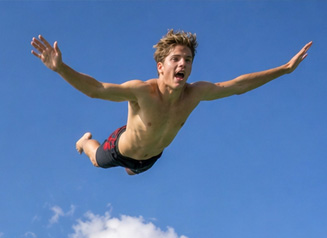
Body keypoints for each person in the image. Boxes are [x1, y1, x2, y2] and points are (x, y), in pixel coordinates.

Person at [30, 31, 311, 175]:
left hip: (151, 158)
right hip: (120, 149)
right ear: (160, 67)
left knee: (134, 172)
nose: (183, 64)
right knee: (95, 160)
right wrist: (61, 68)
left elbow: (237, 85)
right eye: (176, 59)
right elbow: (97, 89)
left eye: (188, 60)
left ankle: (132, 168)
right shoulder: (141, 91)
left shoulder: (195, 92)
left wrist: (284, 69)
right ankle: (84, 141)